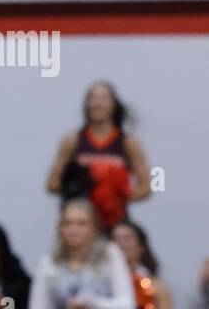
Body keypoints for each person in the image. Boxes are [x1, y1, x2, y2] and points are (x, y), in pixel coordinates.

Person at [45, 80, 151, 230]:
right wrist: (78, 191)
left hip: (115, 224)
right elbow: (52, 183)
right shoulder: (73, 140)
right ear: (86, 105)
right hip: (81, 225)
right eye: (93, 98)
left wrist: (114, 198)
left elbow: (145, 187)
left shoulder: (128, 143)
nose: (98, 104)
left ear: (114, 105)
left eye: (104, 98)